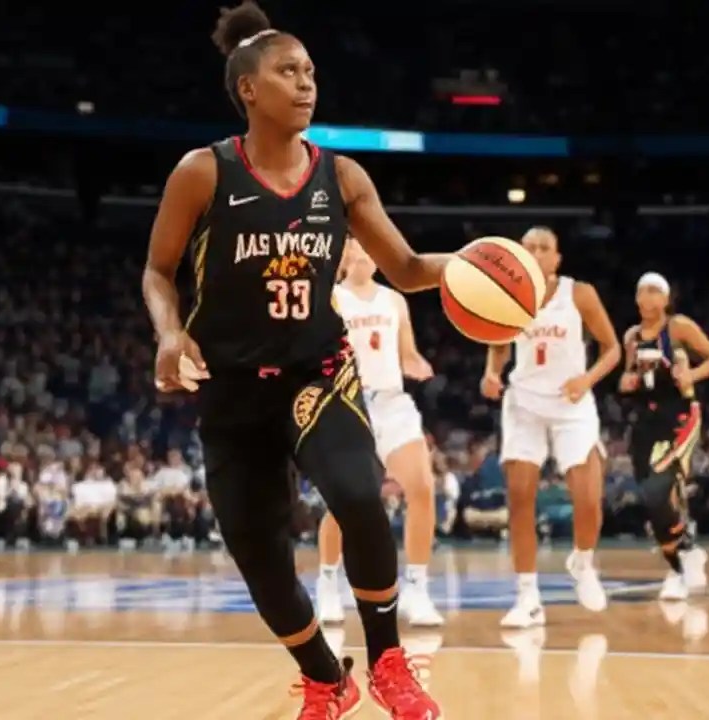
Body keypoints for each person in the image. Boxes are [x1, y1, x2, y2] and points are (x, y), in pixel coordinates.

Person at [142, 3, 443, 717]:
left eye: (310, 71)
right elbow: (159, 271)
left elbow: (403, 265)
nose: (307, 83)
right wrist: (167, 332)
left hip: (317, 373)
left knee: (362, 497)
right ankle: (323, 677)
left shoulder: (341, 178)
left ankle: (390, 662)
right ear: (248, 88)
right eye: (288, 71)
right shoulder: (203, 172)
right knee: (259, 557)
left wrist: (471, 271)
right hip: (233, 390)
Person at [480, 226, 621, 629]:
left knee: (588, 498)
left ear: (557, 258)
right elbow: (498, 343)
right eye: (529, 247)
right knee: (520, 498)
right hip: (523, 402)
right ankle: (527, 597)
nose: (536, 253)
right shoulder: (506, 295)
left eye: (544, 248)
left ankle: (583, 559)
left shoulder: (579, 293)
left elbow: (613, 349)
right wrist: (492, 372)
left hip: (571, 402)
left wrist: (586, 380)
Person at [316, 239, 444, 627]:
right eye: (351, 250)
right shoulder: (331, 299)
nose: (359, 256)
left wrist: (417, 363)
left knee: (422, 487)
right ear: (341, 258)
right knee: (346, 502)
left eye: (366, 250)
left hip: (392, 402)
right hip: (348, 403)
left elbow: (406, 353)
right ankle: (327, 583)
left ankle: (418, 588)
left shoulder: (394, 301)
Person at [619, 272, 709, 601]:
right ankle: (680, 562)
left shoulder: (679, 327)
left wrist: (690, 373)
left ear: (666, 299)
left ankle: (686, 553)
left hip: (680, 416)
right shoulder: (631, 337)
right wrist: (626, 381)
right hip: (645, 421)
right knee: (653, 502)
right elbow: (628, 374)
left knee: (658, 488)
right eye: (641, 291)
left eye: (654, 291)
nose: (647, 297)